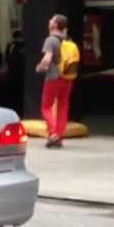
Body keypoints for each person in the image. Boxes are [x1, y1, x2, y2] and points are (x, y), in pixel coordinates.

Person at [35, 14, 74, 148]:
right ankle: (59, 137)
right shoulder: (68, 40)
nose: (49, 21)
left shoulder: (51, 40)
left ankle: (53, 134)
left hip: (53, 78)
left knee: (46, 107)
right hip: (67, 78)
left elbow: (47, 59)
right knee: (63, 107)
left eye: (51, 20)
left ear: (56, 25)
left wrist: (40, 67)